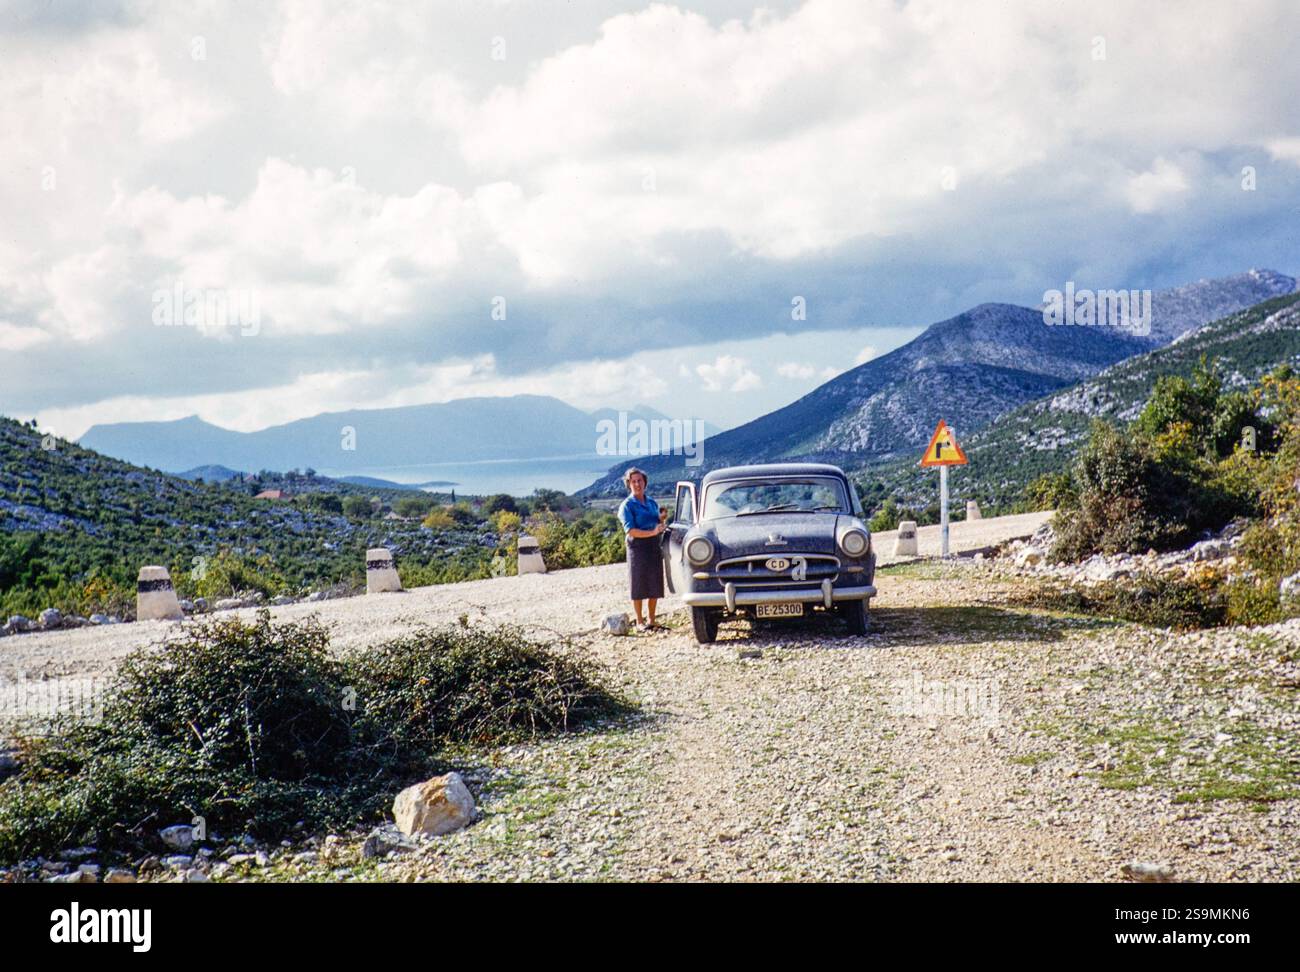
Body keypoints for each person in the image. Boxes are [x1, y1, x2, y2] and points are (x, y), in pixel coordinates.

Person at [617, 466, 667, 631]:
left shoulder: (652, 502)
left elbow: (657, 522)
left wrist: (661, 520)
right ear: (629, 484)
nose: (637, 484)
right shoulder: (627, 506)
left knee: (655, 582)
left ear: (645, 482)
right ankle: (639, 621)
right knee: (638, 583)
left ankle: (652, 619)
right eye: (634, 481)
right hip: (637, 547)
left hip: (653, 546)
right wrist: (652, 531)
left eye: (640, 481)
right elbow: (630, 530)